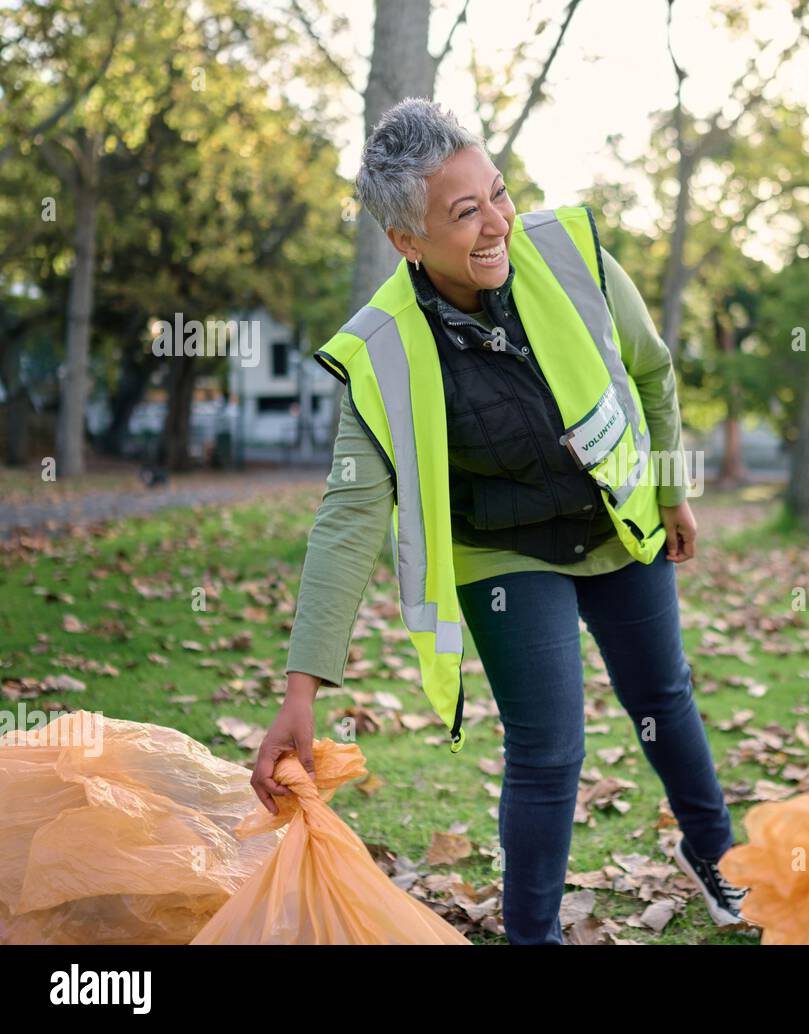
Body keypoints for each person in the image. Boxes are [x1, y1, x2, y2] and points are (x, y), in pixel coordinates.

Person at [250, 98, 745, 944]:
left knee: (664, 695)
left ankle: (721, 863)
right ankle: (533, 938)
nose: (496, 224)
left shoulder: (567, 248)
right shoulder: (382, 351)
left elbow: (652, 367)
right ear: (409, 242)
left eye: (500, 194)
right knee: (549, 749)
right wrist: (302, 691)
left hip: (616, 520)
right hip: (503, 554)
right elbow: (348, 519)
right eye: (465, 211)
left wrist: (671, 487)